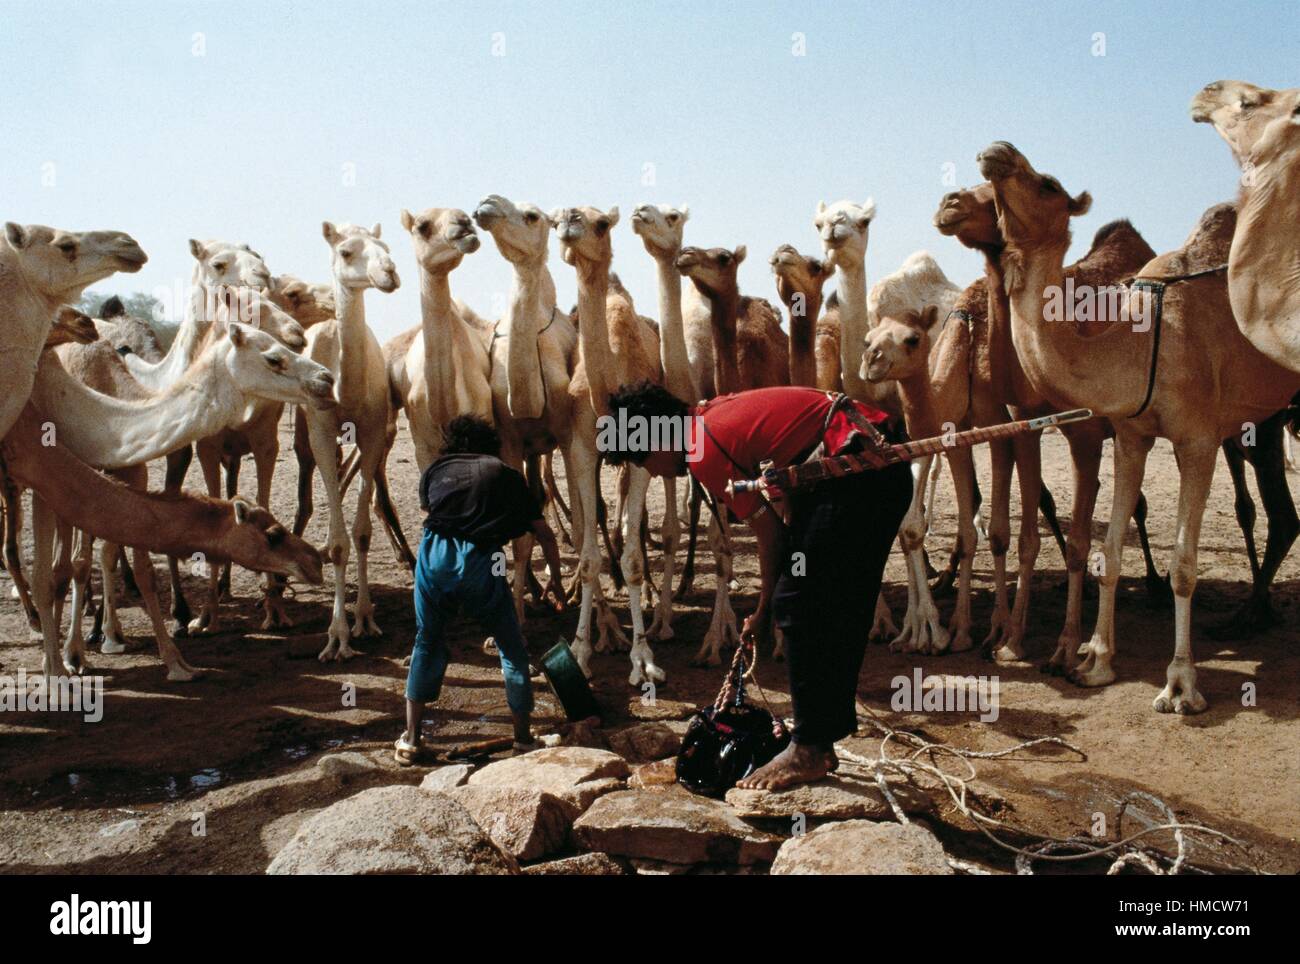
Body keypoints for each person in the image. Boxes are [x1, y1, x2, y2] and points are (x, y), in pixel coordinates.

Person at [604, 383, 912, 790]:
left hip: (857, 474)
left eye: (643, 459)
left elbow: (770, 535)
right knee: (840, 603)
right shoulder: (709, 414)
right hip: (877, 472)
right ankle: (820, 741)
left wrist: (765, 607)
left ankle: (808, 749)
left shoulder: (701, 448)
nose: (654, 471)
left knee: (796, 603)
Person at [395, 415, 566, 766]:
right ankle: (522, 740)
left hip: (432, 555)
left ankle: (411, 740)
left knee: (426, 641)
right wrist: (557, 581)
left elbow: (433, 509)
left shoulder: (434, 470)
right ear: (490, 444)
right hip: (482, 560)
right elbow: (544, 534)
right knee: (511, 647)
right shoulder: (504, 474)